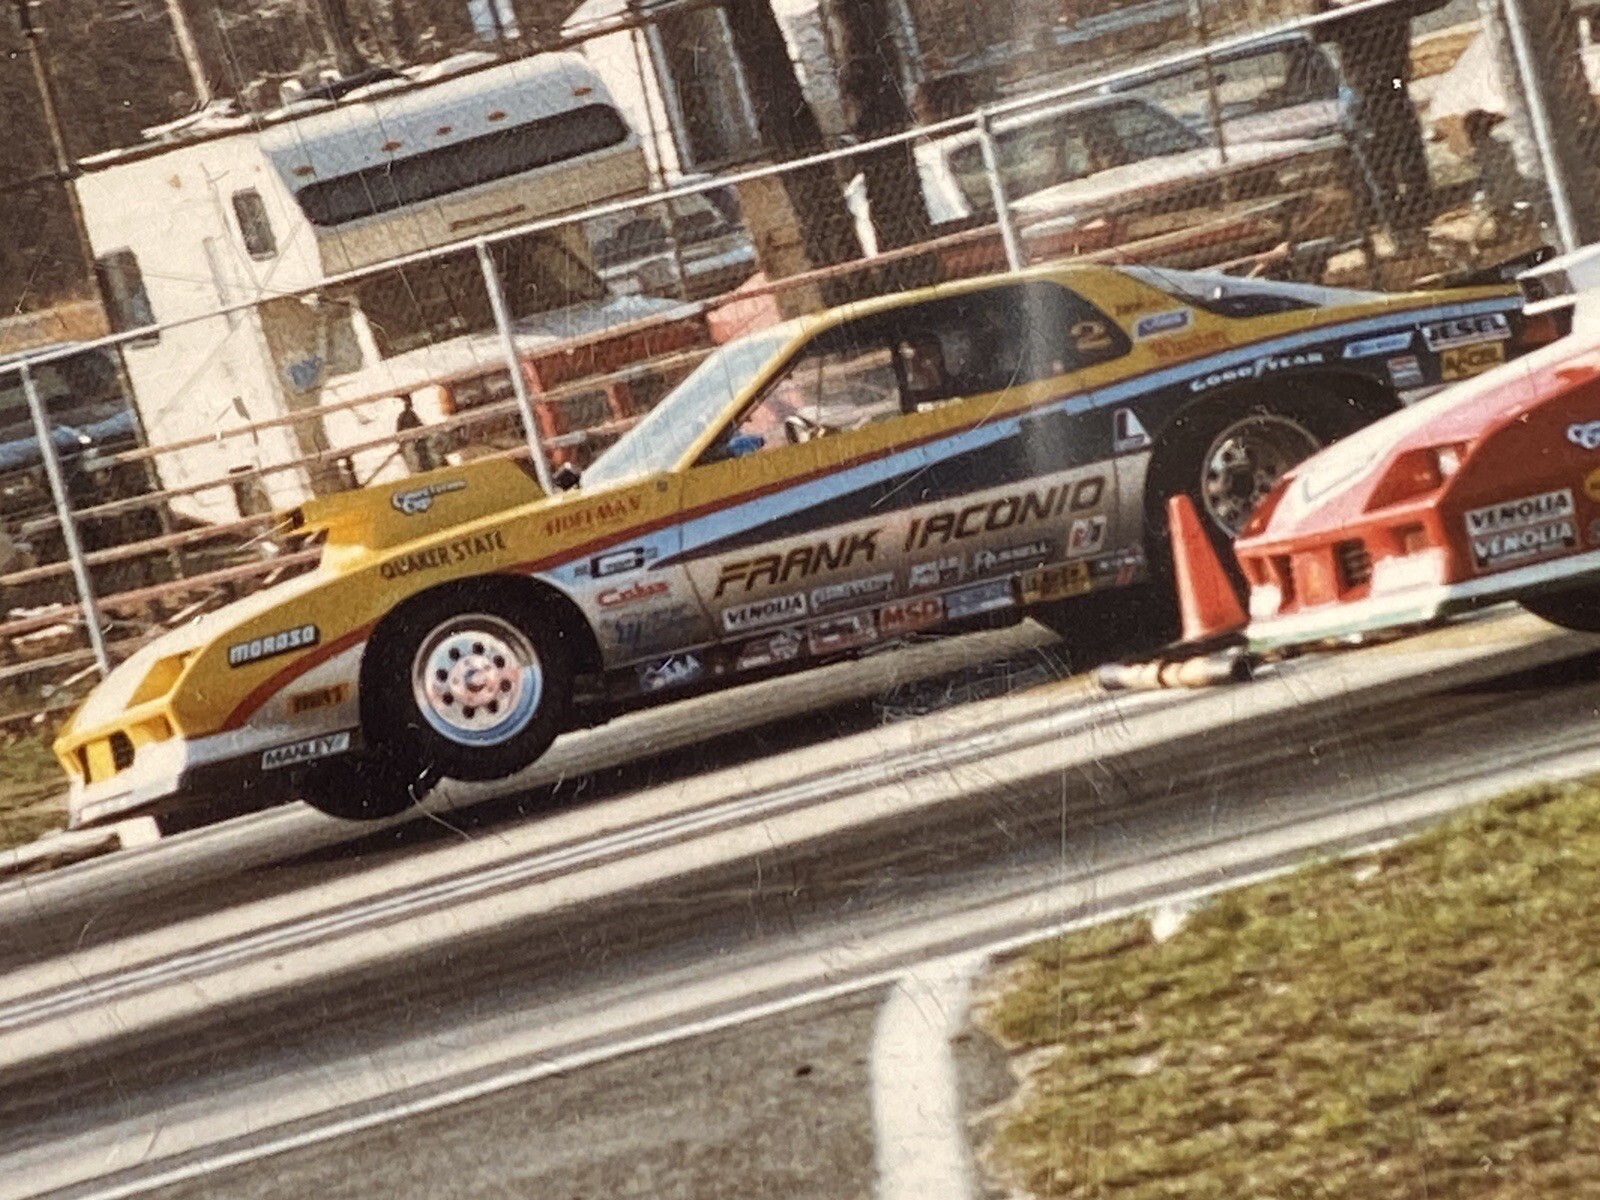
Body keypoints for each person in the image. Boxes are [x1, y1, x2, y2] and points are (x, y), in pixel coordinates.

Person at [1316, 0, 1451, 243]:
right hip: (1364, 90)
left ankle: (1417, 223)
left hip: (1394, 84)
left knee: (1409, 156)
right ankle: (1400, 230)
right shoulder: (1348, 14)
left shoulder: (1389, 6)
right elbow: (1317, 30)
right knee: (1382, 167)